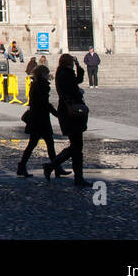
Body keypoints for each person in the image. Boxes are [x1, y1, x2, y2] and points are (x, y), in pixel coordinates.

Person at [44, 54, 89, 186]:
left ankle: (77, 177)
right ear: (68, 62)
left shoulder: (65, 72)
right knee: (76, 145)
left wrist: (79, 66)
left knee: (76, 145)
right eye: (72, 61)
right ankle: (55, 167)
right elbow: (70, 89)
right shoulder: (64, 73)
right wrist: (78, 93)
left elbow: (78, 80)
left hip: (69, 111)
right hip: (70, 112)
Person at [16, 65, 59, 177]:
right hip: (41, 119)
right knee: (47, 144)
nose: (48, 75)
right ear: (42, 74)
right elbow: (44, 103)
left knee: (39, 144)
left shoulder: (36, 84)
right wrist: (57, 114)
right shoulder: (41, 85)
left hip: (37, 118)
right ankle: (56, 167)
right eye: (46, 73)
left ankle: (56, 167)